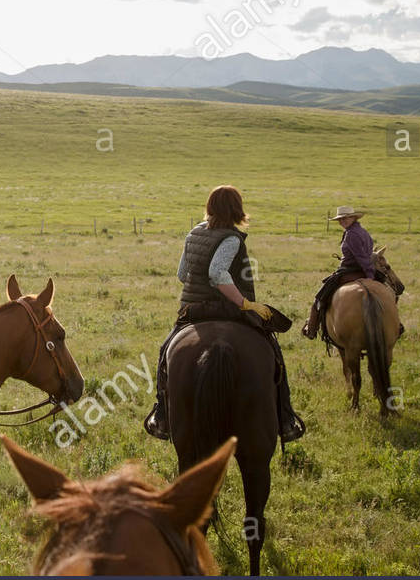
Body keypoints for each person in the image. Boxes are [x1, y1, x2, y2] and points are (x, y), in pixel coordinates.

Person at [144, 185, 305, 444]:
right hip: (228, 309)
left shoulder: (194, 232)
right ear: (236, 210)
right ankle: (285, 418)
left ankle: (162, 414)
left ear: (210, 207)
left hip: (194, 309)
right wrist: (244, 303)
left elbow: (182, 275)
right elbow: (217, 274)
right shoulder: (230, 238)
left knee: (166, 351)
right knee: (274, 352)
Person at [302, 205, 381, 340]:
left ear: (352, 218)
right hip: (364, 269)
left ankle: (312, 329)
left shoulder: (351, 234)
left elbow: (361, 257)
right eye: (340, 219)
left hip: (351, 271)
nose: (342, 222)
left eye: (345, 218)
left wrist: (369, 275)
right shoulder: (363, 231)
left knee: (319, 299)